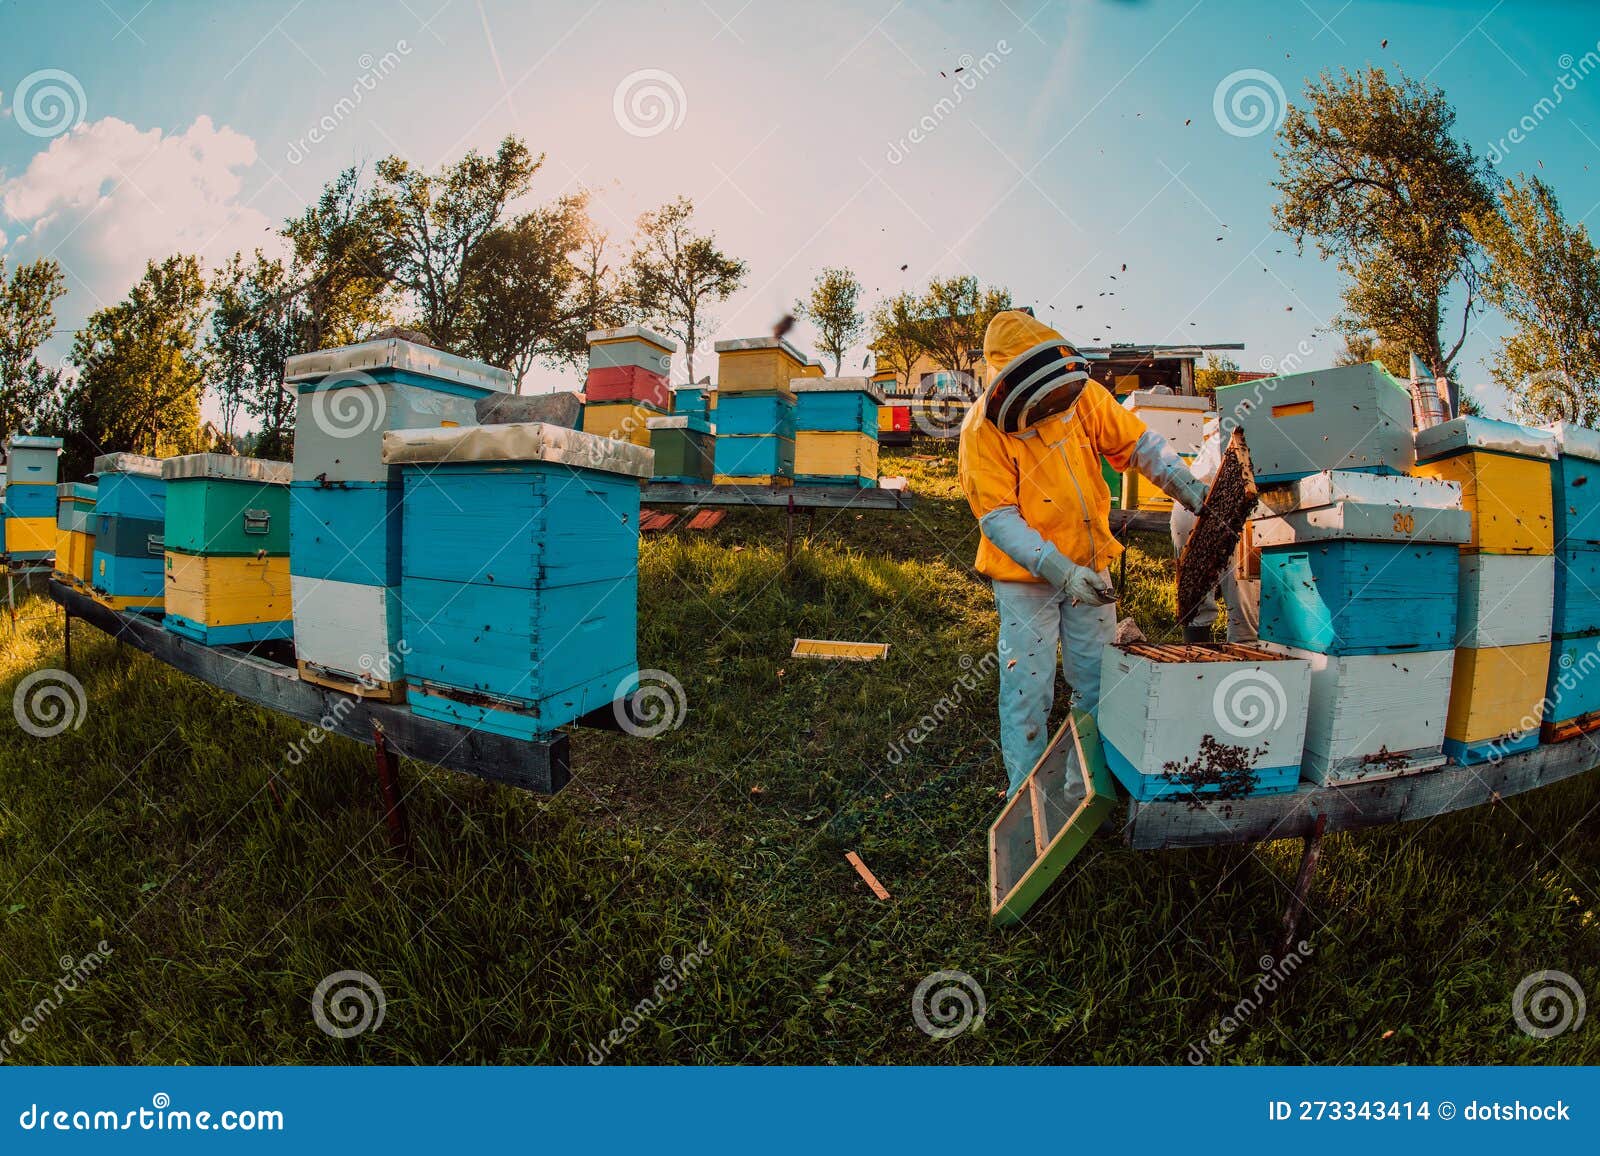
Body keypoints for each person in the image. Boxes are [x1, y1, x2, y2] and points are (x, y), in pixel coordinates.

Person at [959, 311, 1209, 796]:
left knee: (1098, 682)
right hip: (1023, 581)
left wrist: (1186, 486)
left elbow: (1139, 444)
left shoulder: (1085, 395)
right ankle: (1026, 796)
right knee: (1027, 689)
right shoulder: (981, 430)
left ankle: (1082, 791)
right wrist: (1058, 570)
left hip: (1092, 569)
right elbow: (997, 518)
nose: (1054, 410)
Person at [1169, 414, 1260, 644]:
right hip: (1223, 510)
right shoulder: (1257, 432)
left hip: (1187, 505)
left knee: (1196, 598)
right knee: (1243, 610)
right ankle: (1243, 661)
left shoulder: (1229, 425)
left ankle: (1195, 658)